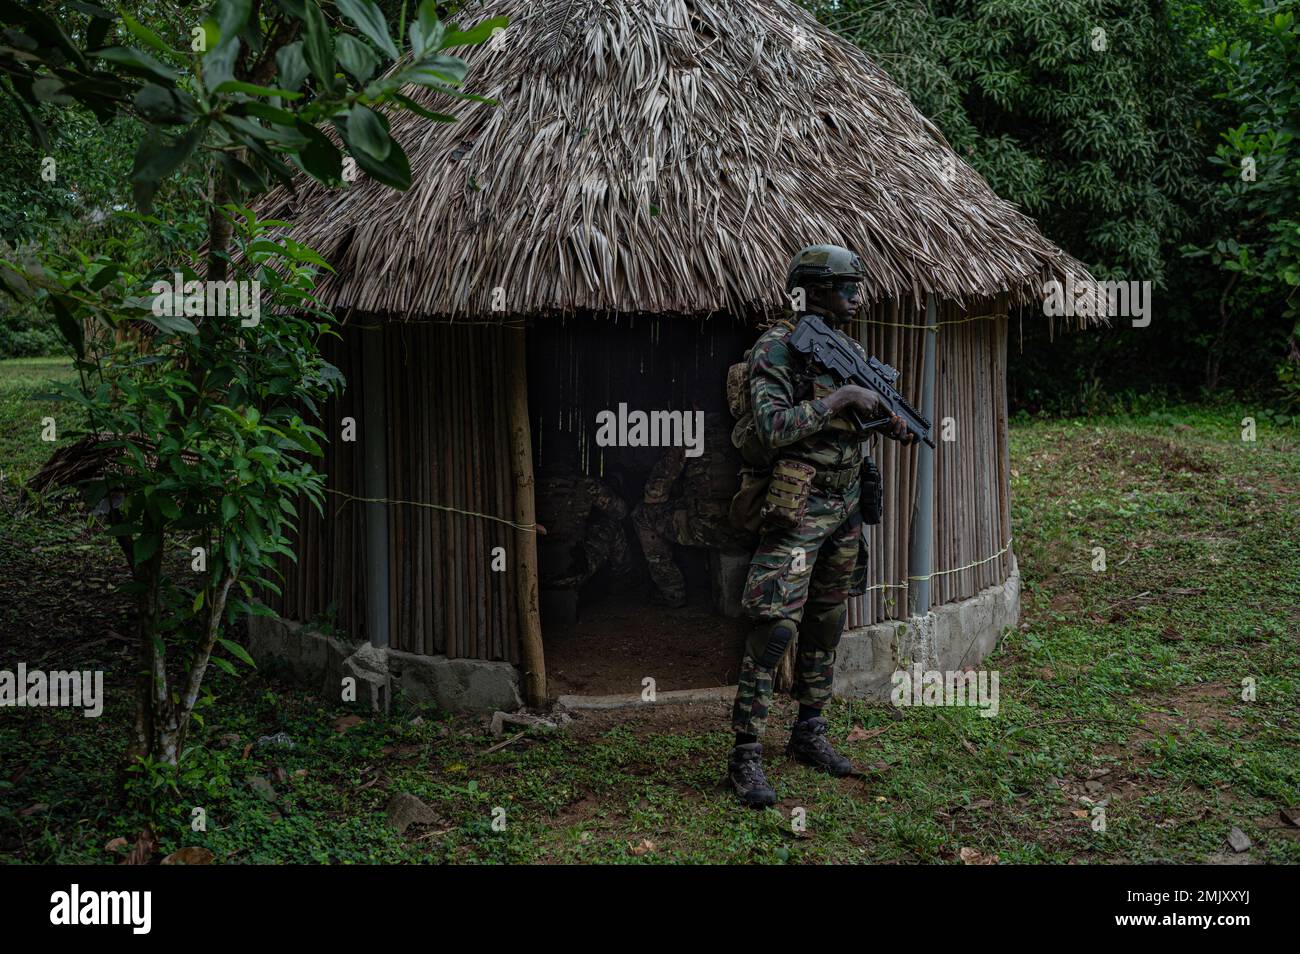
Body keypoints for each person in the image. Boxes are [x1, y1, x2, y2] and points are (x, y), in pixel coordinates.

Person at [727, 244, 915, 808]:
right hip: (799, 506)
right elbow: (770, 425)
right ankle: (746, 754)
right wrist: (841, 398)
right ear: (810, 290)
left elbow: (860, 421)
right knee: (774, 625)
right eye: (846, 287)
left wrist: (887, 418)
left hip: (847, 503)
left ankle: (809, 733)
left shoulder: (847, 349)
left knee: (827, 620)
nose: (857, 296)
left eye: (858, 286)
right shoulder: (777, 349)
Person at [632, 410, 747, 607]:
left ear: (695, 405)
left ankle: (672, 593)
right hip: (751, 528)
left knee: (642, 515)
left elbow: (654, 492)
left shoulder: (692, 432)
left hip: (706, 528)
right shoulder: (749, 427)